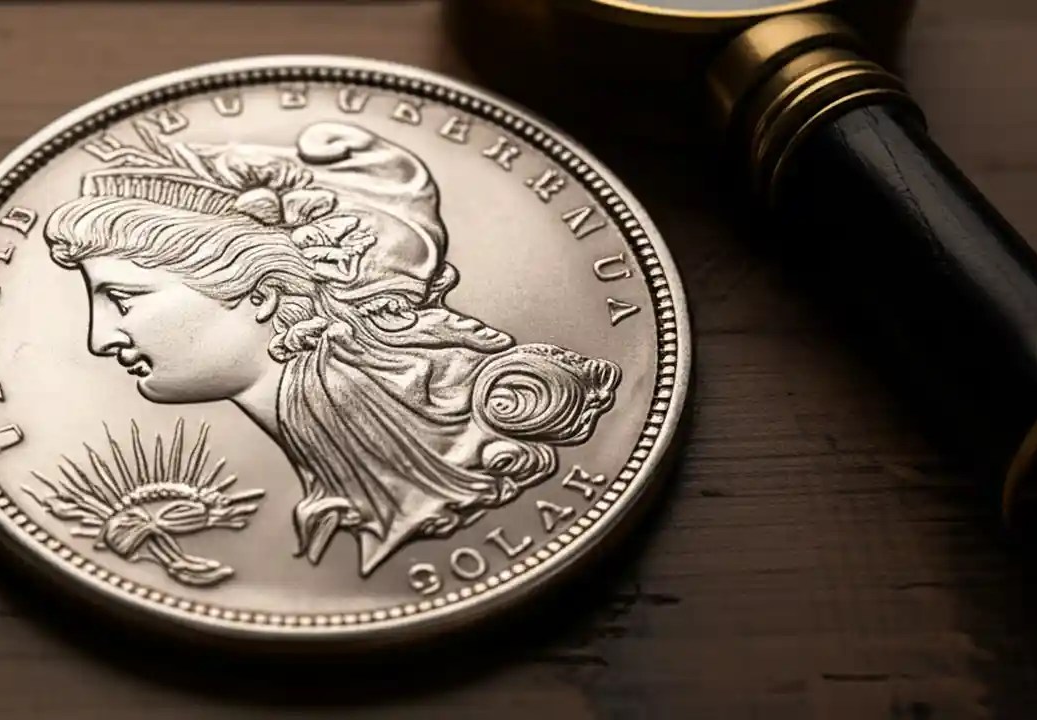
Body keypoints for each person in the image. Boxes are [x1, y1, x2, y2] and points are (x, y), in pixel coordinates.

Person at [43, 119, 621, 576]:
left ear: (265, 293)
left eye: (122, 299)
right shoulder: (347, 477)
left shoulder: (455, 466)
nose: (99, 339)